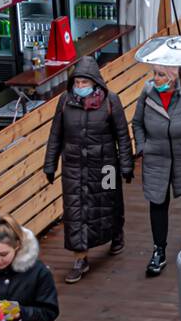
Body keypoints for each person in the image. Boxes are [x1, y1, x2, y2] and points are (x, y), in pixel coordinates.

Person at [43, 56, 134, 283]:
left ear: (95, 82)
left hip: (106, 167)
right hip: (74, 167)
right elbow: (56, 135)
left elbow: (122, 135)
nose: (80, 87)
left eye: (84, 82)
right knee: (76, 211)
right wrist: (50, 164)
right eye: (77, 83)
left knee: (110, 202)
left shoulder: (111, 101)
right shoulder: (65, 101)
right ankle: (80, 258)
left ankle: (115, 233)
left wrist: (126, 164)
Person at [132, 63, 181, 277]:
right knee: (157, 201)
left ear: (172, 77)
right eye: (154, 74)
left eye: (161, 74)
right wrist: (143, 147)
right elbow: (137, 123)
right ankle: (158, 250)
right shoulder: (147, 93)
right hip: (156, 157)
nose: (156, 78)